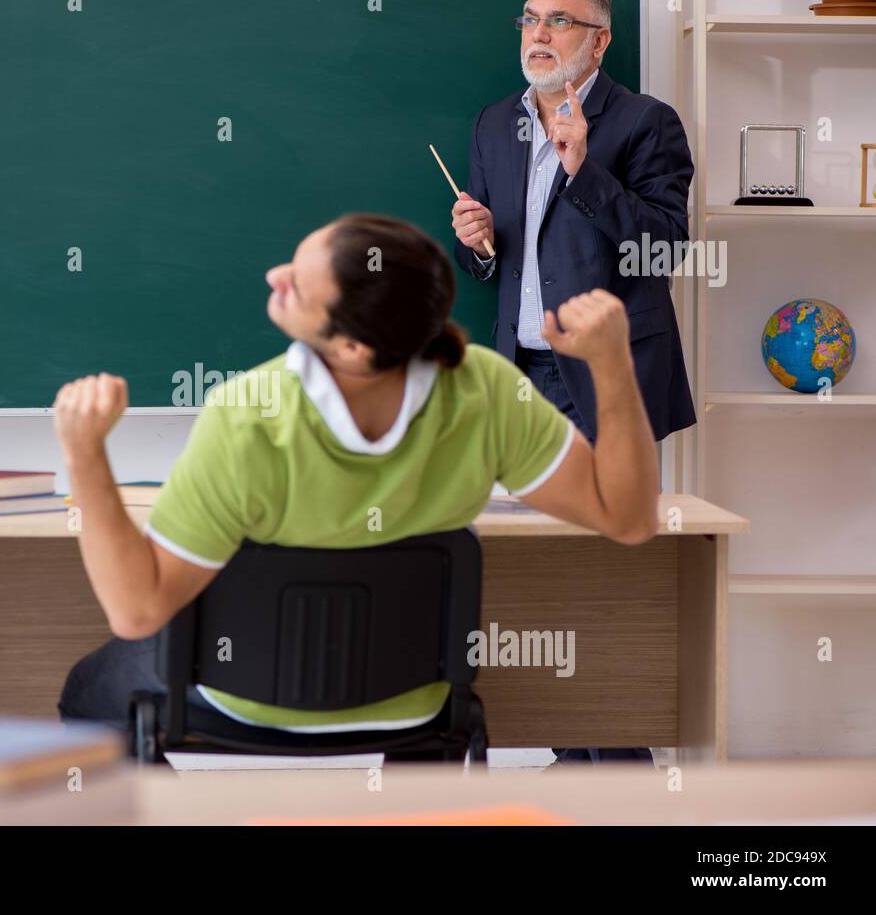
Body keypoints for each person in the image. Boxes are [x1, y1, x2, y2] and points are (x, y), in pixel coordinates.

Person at [54, 213, 659, 736]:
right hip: (414, 700)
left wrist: (84, 454)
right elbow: (627, 519)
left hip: (244, 700)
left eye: (295, 287)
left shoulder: (245, 415)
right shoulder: (488, 390)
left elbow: (136, 612)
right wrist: (610, 361)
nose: (274, 278)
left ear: (352, 349)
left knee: (90, 690)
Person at [451, 0, 696, 765]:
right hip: (520, 375)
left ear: (601, 39)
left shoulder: (646, 122)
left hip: (611, 377)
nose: (538, 32)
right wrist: (480, 241)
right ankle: (572, 752)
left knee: (608, 576)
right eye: (529, 17)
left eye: (560, 19)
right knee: (540, 580)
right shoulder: (494, 124)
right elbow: (509, 261)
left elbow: (661, 246)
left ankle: (621, 765)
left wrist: (584, 170)